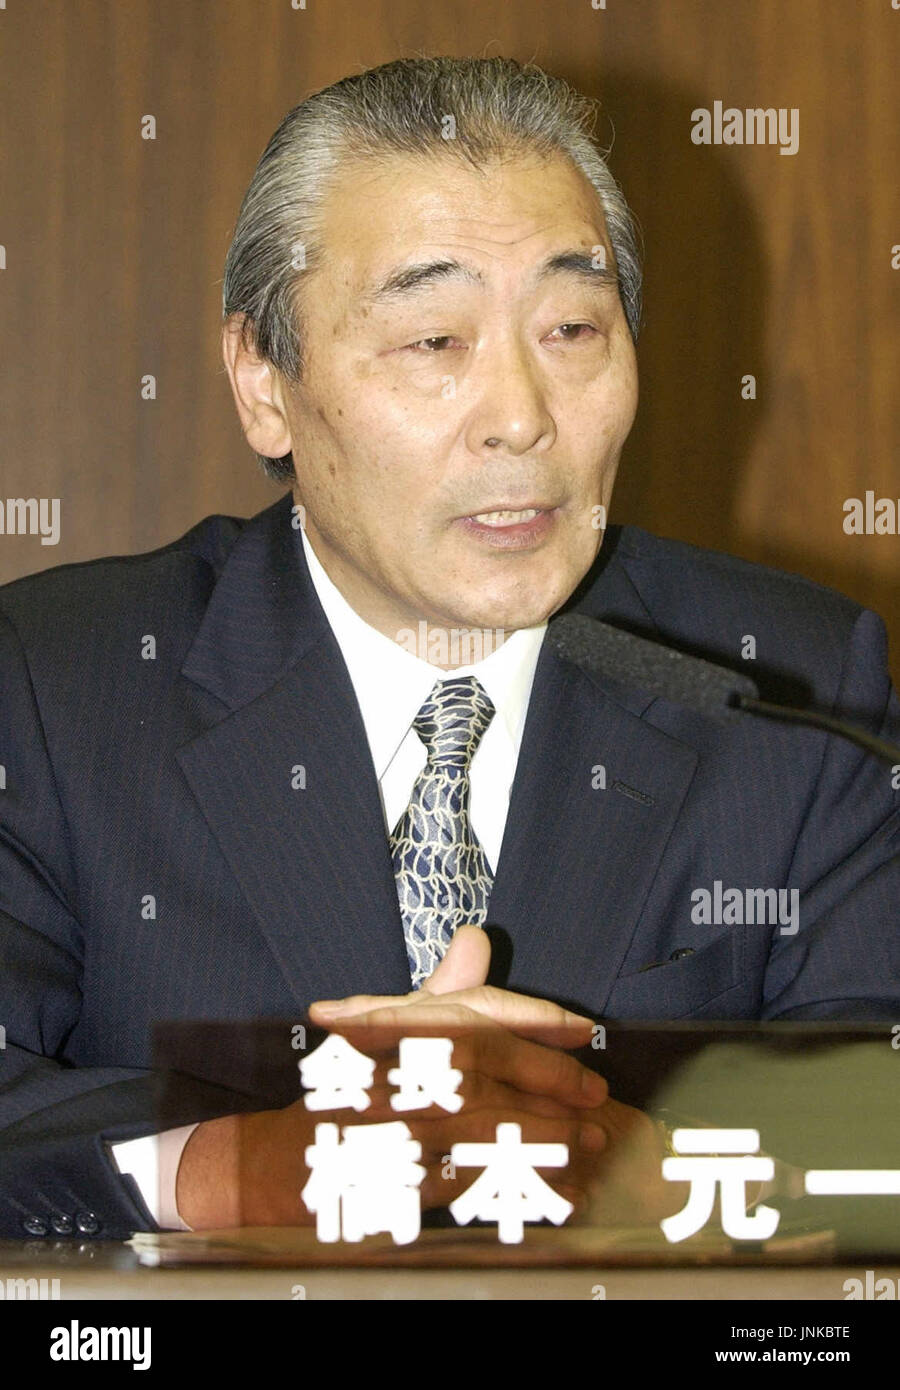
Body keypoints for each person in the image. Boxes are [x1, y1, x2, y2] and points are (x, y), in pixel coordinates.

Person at [1, 56, 898, 1243]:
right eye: (434, 340)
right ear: (263, 384)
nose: (522, 414)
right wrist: (239, 1166)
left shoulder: (792, 686)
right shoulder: (58, 684)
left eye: (571, 326)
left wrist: (641, 1165)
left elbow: (874, 1126)